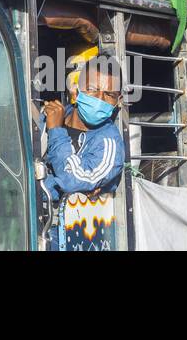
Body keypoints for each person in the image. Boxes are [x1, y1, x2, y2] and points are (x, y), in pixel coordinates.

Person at [40, 55, 126, 251]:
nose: (100, 99)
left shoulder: (109, 143)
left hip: (66, 234)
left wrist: (56, 131)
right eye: (93, 90)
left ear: (118, 100)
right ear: (77, 91)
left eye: (109, 94)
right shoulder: (51, 115)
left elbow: (72, 182)